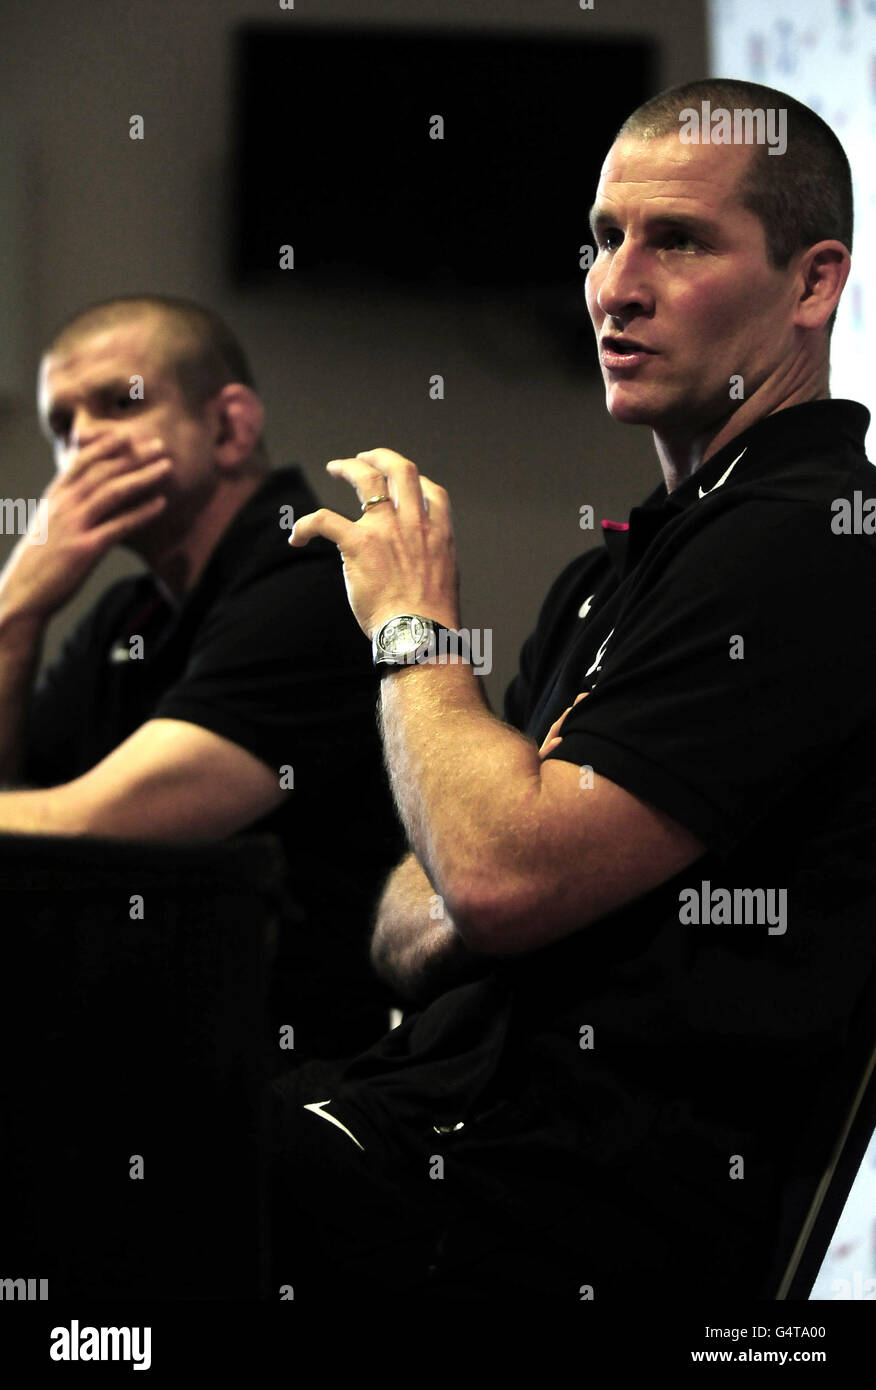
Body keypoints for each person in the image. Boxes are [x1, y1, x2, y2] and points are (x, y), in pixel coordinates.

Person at [269, 78, 876, 1300]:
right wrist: (498, 842)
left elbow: (486, 870)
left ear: (813, 284)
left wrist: (410, 627)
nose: (614, 286)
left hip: (547, 1222)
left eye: (679, 240)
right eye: (604, 239)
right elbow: (409, 918)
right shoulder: (613, 569)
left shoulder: (819, 541)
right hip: (408, 1150)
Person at [0, 295, 404, 1064]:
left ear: (229, 428)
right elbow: (18, 813)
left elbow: (90, 824)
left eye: (120, 403)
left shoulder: (314, 582)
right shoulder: (129, 612)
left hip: (279, 1087)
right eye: (61, 424)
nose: (81, 439)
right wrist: (15, 613)